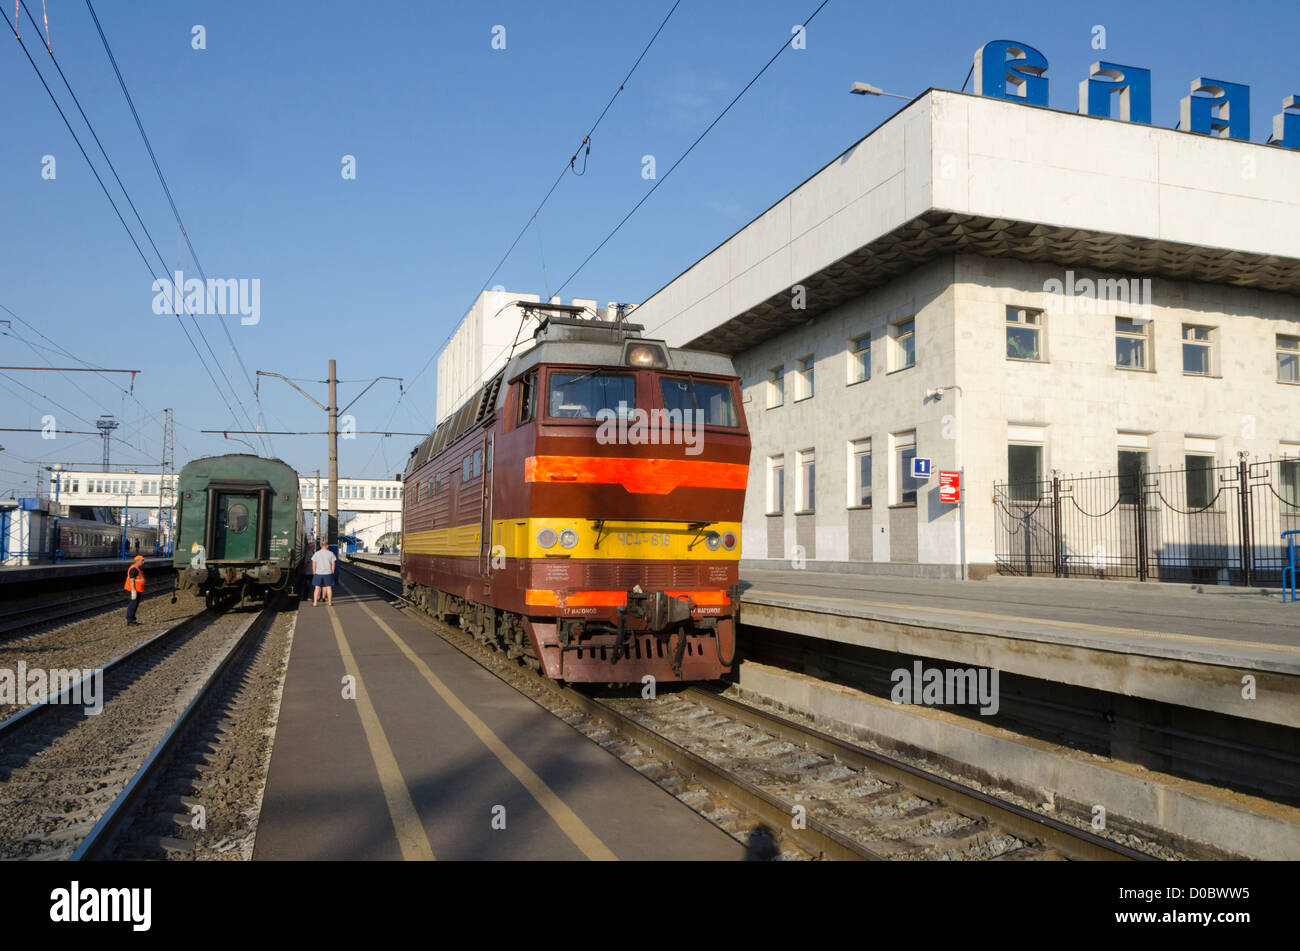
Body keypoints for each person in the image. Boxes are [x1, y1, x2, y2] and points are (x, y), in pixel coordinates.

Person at [311, 539, 337, 607]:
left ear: (320, 546)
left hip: (318, 573)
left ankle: (315, 603)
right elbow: (333, 564)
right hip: (328, 573)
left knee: (317, 588)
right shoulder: (331, 553)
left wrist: (314, 572)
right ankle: (330, 603)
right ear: (327, 546)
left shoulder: (316, 553)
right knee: (329, 588)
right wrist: (332, 571)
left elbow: (314, 563)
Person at [124, 554, 146, 625]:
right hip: (133, 590)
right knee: (132, 605)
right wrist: (133, 591)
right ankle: (130, 620)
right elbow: (132, 580)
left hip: (137, 590)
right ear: (137, 561)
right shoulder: (134, 569)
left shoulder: (137, 568)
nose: (143, 562)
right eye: (142, 561)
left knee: (134, 605)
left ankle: (132, 619)